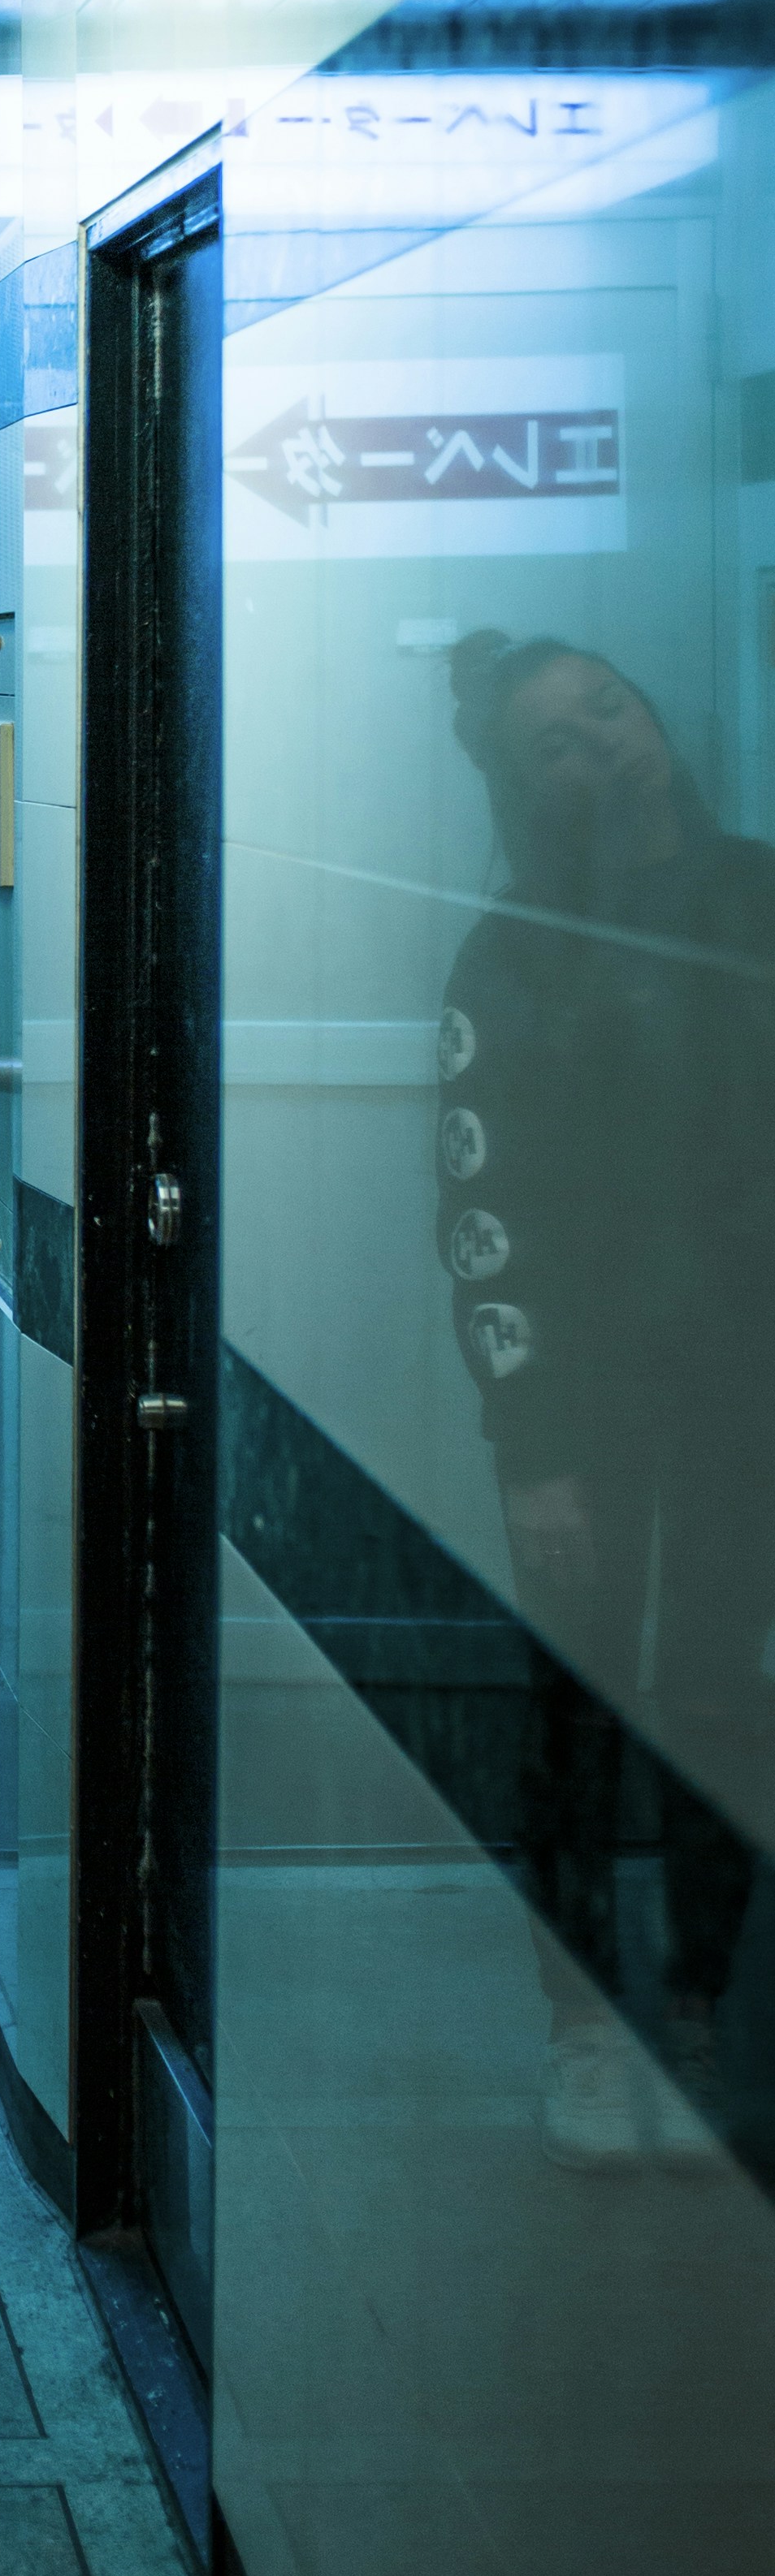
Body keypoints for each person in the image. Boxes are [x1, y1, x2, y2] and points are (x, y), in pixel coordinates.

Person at [438, 628, 771, 2170]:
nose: (601, 743)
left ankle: (694, 2012)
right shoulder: (513, 952)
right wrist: (534, 1450)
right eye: (556, 741)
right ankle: (581, 2026)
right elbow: (482, 1216)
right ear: (523, 785)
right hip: (582, 1408)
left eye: (606, 707)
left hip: (742, 1394)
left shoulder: (754, 898)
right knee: (575, 1710)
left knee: (716, 1701)